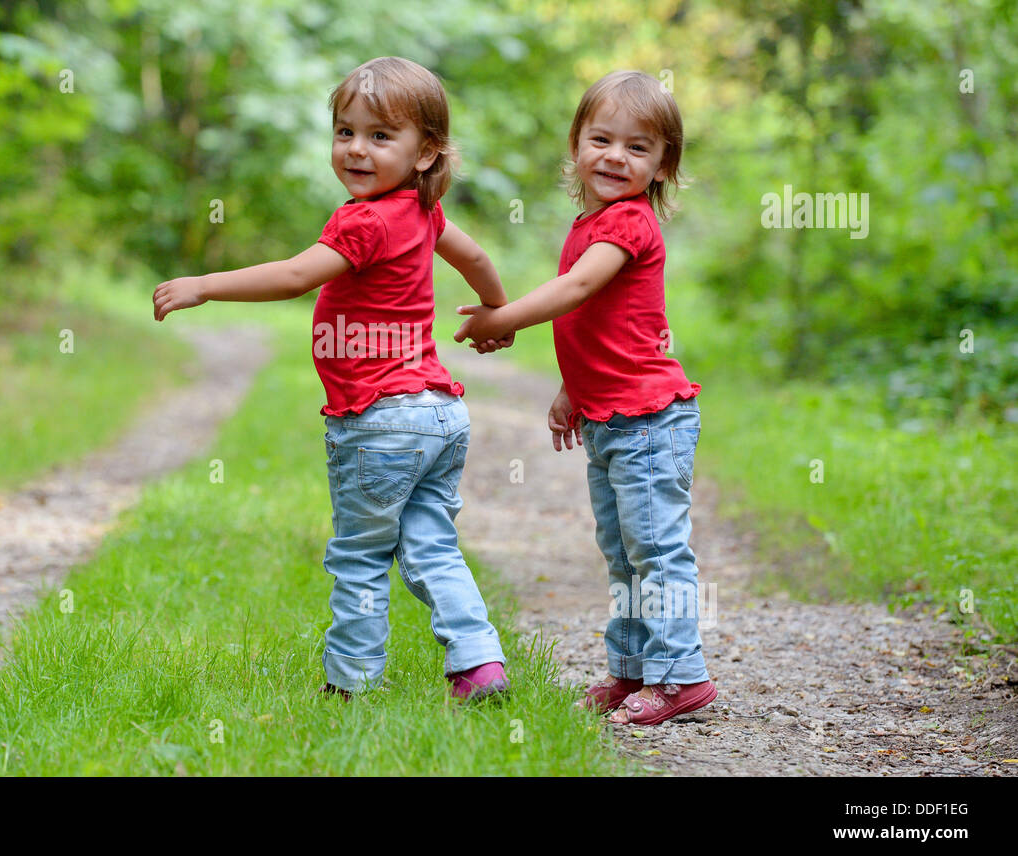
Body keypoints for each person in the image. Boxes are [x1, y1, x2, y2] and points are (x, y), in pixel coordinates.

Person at [154, 56, 511, 702]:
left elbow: (295, 276)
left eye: (380, 136)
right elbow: (477, 256)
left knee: (361, 556)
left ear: (427, 151)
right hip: (438, 415)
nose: (355, 149)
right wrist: (497, 312)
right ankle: (479, 661)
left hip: (379, 421)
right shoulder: (421, 212)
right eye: (344, 131)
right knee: (431, 545)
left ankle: (351, 683)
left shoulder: (362, 220)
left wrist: (205, 285)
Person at [452, 70, 717, 725]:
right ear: (575, 144)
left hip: (651, 422)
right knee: (625, 552)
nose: (615, 156)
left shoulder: (629, 224)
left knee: (656, 552)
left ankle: (682, 675)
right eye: (601, 138)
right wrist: (575, 387)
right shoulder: (590, 222)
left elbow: (573, 291)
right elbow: (606, 323)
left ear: (663, 165)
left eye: (637, 147)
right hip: (613, 419)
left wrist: (503, 316)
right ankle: (631, 670)